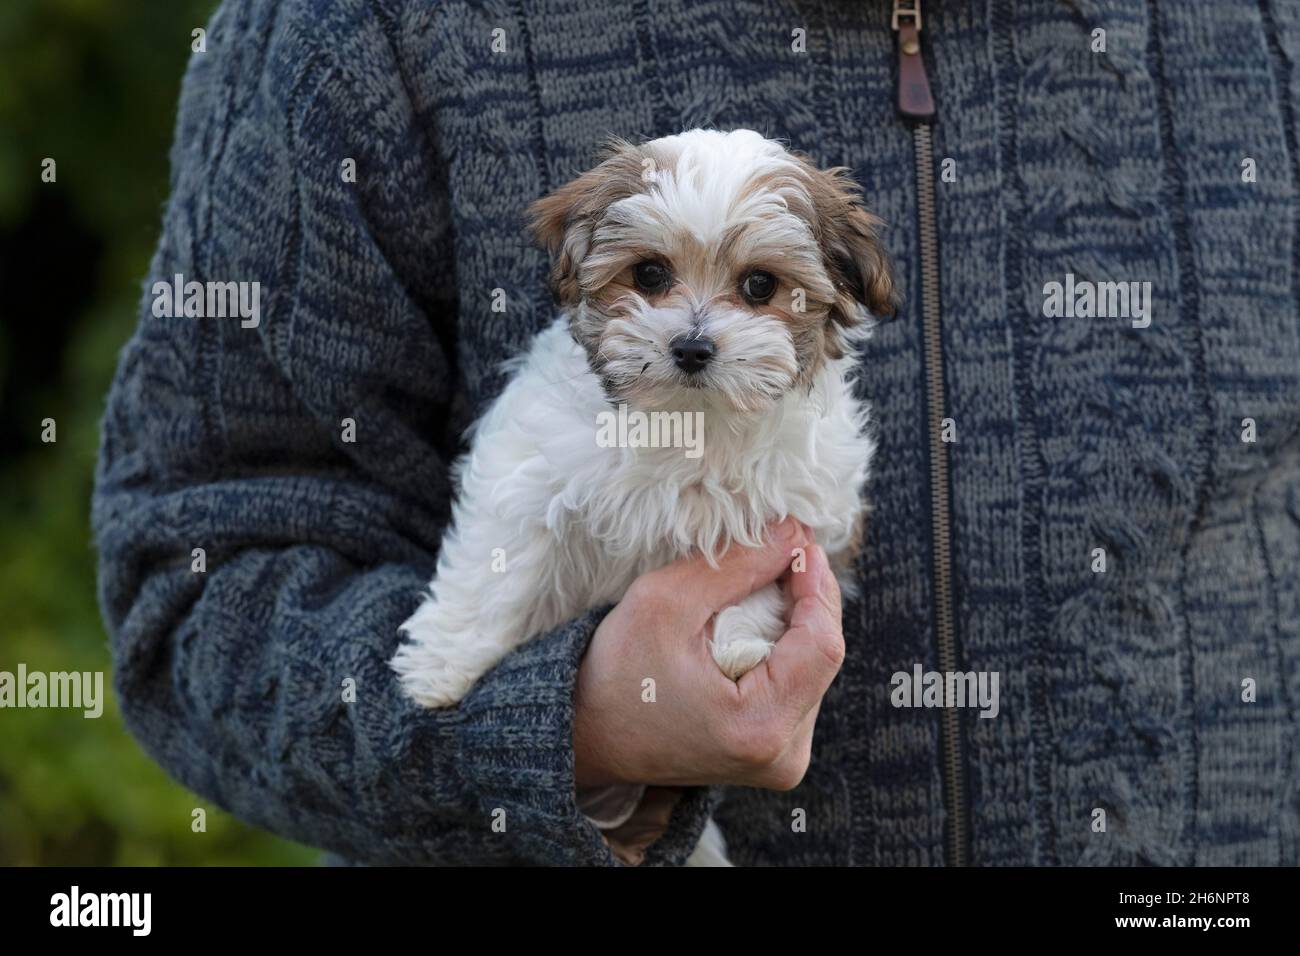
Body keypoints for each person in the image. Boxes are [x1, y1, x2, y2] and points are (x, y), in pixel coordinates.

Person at [93, 0, 1300, 866]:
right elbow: (193, 580)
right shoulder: (368, 31)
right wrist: (561, 736)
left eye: (759, 291)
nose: (698, 333)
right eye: (655, 281)